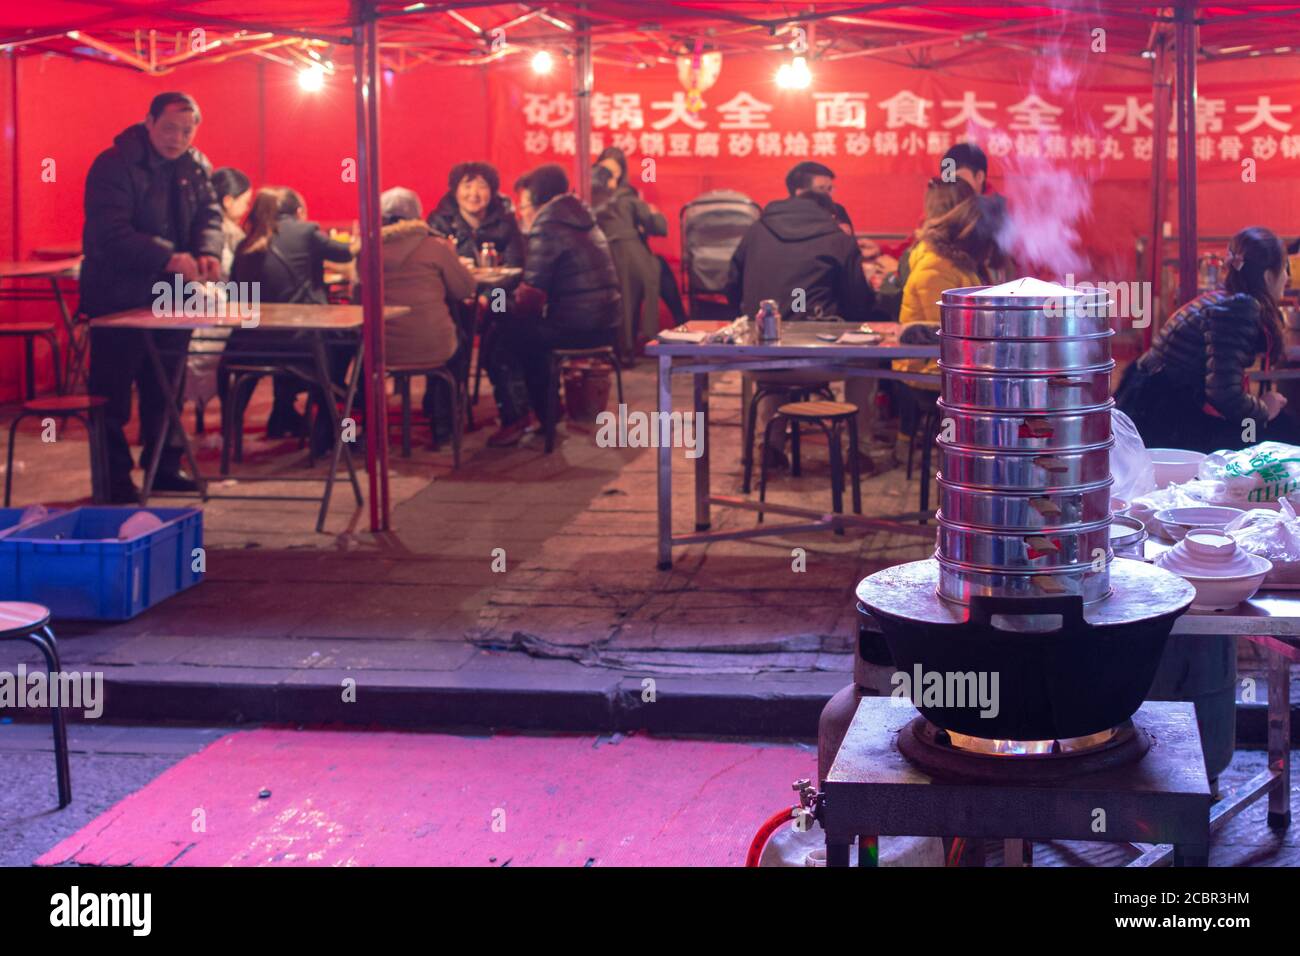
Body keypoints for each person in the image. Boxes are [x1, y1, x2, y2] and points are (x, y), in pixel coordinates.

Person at [81, 91, 223, 502]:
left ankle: (164, 466)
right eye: (169, 128)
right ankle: (112, 479)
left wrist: (208, 251)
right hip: (117, 297)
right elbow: (109, 234)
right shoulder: (114, 165)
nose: (177, 138)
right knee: (111, 394)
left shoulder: (196, 166)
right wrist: (168, 257)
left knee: (166, 387)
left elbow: (209, 216)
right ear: (148, 122)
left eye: (187, 129)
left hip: (174, 297)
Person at [1116, 226, 1299, 453]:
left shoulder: (1227, 299)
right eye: (1285, 269)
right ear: (1269, 276)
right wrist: (1264, 409)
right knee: (1285, 434)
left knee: (1273, 429)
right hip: (1165, 420)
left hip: (1152, 404)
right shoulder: (1241, 306)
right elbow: (1224, 393)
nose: (1287, 278)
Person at [486, 164, 621, 447]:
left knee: (500, 335)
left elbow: (530, 299)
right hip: (606, 324)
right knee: (522, 331)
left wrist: (494, 302)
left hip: (577, 327)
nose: (521, 213)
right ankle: (547, 412)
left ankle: (517, 418)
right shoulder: (581, 218)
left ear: (539, 202)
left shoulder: (547, 227)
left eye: (524, 205)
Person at [228, 186, 357, 449]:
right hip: (299, 344)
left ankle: (283, 415)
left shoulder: (245, 242)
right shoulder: (305, 231)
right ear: (299, 212)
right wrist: (362, 237)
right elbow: (344, 252)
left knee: (290, 333)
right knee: (348, 342)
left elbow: (235, 294)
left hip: (249, 345)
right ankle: (330, 427)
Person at [379, 186, 476, 433]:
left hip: (381, 349)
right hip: (434, 345)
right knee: (458, 346)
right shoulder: (435, 247)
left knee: (360, 362)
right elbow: (465, 290)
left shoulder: (368, 252)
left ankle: (369, 428)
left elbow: (358, 299)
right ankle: (443, 425)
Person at [726, 166, 873, 320]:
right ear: (830, 212)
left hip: (758, 330)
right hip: (816, 333)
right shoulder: (837, 239)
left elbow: (733, 284)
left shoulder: (757, 230)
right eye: (823, 189)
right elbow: (857, 302)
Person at [894, 178, 989, 381]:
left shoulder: (958, 262)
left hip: (946, 367)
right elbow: (945, 334)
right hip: (929, 372)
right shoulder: (936, 265)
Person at [592, 146, 668, 364]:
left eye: (615, 170)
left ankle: (634, 347)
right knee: (620, 301)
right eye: (606, 169)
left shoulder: (628, 196)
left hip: (627, 253)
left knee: (632, 296)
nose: (610, 175)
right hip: (602, 255)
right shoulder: (590, 194)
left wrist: (653, 215)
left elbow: (654, 225)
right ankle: (623, 348)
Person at [426, 161, 524, 267]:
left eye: (482, 187)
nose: (474, 194)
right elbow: (430, 265)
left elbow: (515, 264)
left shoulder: (506, 221)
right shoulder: (439, 222)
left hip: (497, 282)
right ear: (455, 191)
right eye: (467, 186)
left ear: (492, 192)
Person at [211, 167, 252, 278]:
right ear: (228, 201)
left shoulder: (201, 227)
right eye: (246, 202)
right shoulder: (230, 235)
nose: (247, 208)